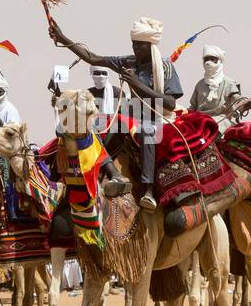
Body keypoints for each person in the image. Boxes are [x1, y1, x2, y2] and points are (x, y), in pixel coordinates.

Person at [47, 16, 184, 210]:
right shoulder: (129, 62)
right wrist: (63, 38)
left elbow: (169, 103)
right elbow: (93, 58)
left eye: (140, 45)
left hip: (157, 117)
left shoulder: (166, 67)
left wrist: (136, 83)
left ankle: (148, 190)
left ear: (150, 45)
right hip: (132, 114)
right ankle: (113, 173)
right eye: (134, 44)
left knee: (147, 131)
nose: (136, 48)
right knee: (90, 125)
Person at [187, 45, 241, 122]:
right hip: (200, 120)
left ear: (219, 61)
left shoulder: (229, 83)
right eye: (206, 60)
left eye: (212, 59)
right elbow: (193, 106)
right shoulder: (200, 84)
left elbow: (237, 100)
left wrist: (245, 104)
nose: (208, 62)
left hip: (221, 120)